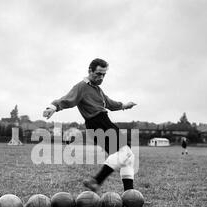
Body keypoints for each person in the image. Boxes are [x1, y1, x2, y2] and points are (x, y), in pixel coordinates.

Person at [43, 58, 137, 192]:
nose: (101, 77)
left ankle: (129, 194)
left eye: (104, 74)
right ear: (90, 71)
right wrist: (52, 107)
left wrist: (124, 106)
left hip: (102, 122)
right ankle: (96, 181)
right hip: (98, 122)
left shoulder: (97, 89)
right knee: (125, 152)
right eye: (98, 73)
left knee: (128, 157)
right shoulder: (81, 86)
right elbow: (67, 99)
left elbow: (109, 103)